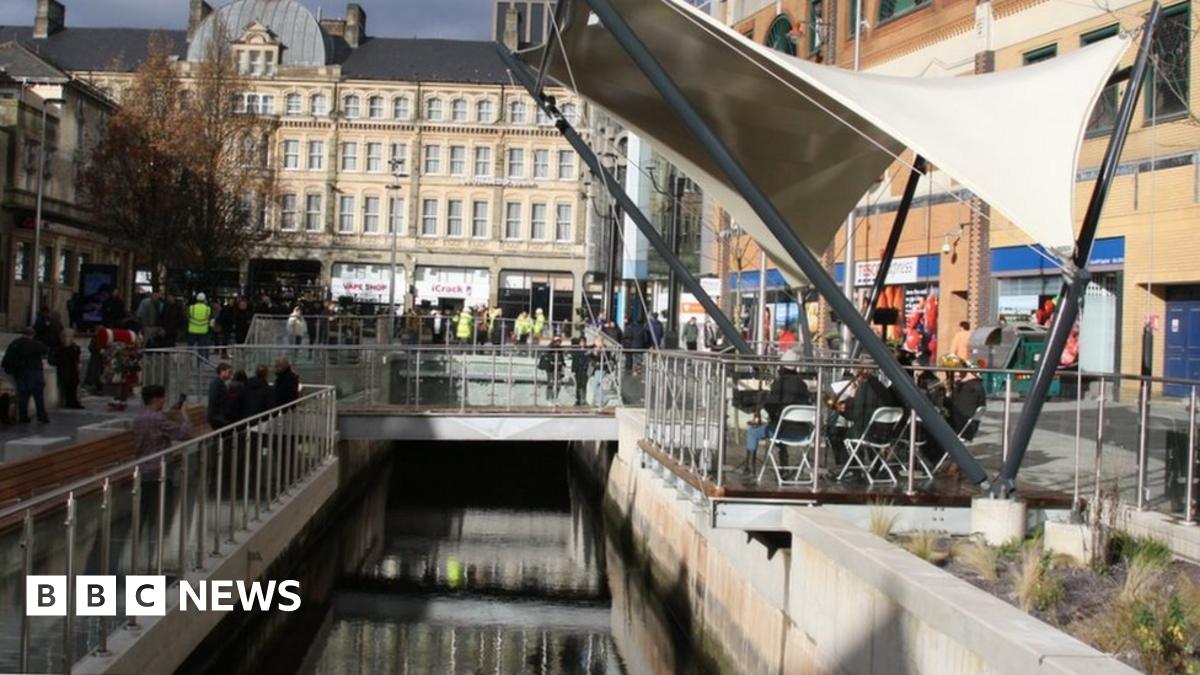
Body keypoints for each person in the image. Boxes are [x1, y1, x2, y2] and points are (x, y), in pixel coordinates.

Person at [744, 350, 812, 473]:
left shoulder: (779, 383)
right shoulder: (803, 385)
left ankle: (749, 469)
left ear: (781, 365)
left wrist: (763, 401)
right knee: (781, 424)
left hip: (782, 432)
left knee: (752, 433)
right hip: (803, 433)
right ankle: (783, 466)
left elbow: (772, 407)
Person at [2, 327, 50, 423]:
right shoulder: (36, 344)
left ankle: (23, 416)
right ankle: (42, 416)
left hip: (21, 373)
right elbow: (45, 350)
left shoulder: (15, 344)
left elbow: (7, 359)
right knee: (38, 396)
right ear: (32, 335)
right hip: (35, 372)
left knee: (23, 396)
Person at [56, 328, 83, 409]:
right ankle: (71, 402)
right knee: (69, 387)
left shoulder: (61, 348)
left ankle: (71, 401)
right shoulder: (69, 348)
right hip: (68, 369)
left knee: (70, 386)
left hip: (68, 370)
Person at [206, 363, 233, 429]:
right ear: (222, 371)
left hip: (218, 416)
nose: (230, 375)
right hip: (217, 417)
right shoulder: (216, 383)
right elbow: (213, 400)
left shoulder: (220, 383)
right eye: (229, 372)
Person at [570, 337, 591, 406]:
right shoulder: (576, 351)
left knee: (584, 385)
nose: (582, 343)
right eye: (581, 342)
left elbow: (589, 359)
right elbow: (574, 361)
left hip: (585, 370)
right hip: (578, 370)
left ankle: (584, 399)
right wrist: (573, 370)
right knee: (578, 385)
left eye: (583, 342)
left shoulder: (587, 350)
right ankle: (578, 400)